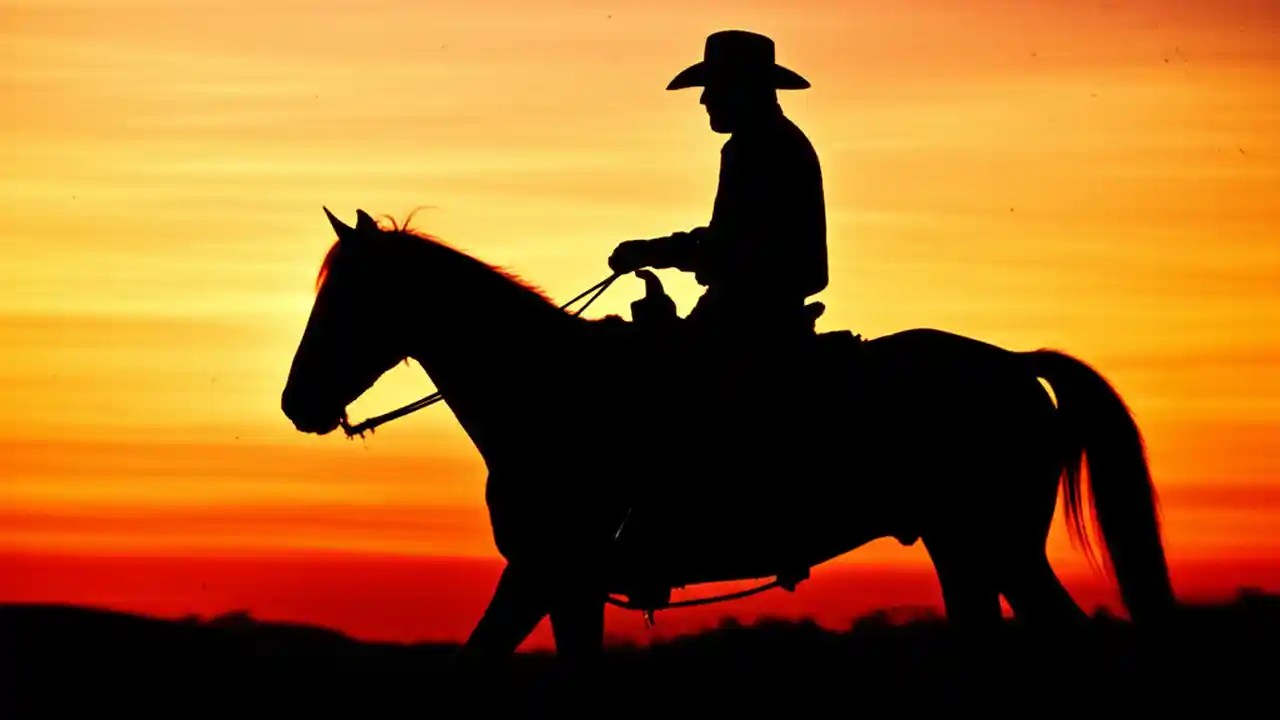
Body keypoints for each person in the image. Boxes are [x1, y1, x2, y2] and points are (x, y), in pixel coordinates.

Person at [609, 30, 828, 345]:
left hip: (747, 317)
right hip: (761, 310)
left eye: (714, 88)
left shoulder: (757, 148)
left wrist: (652, 251)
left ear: (741, 90)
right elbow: (730, 241)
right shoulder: (775, 140)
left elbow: (732, 248)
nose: (704, 98)